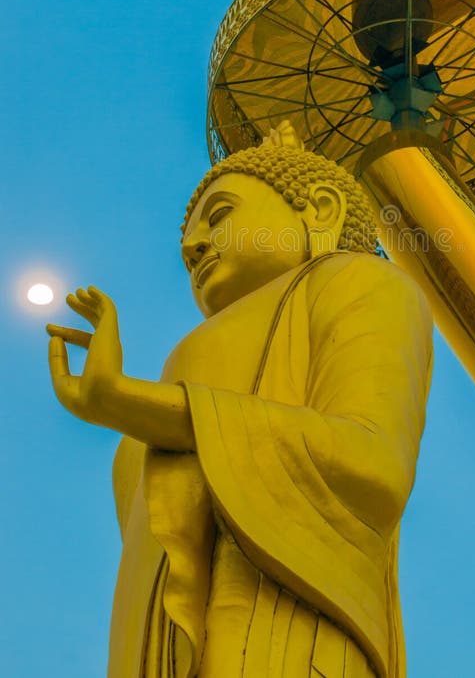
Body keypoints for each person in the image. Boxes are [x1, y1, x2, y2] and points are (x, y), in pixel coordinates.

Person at [47, 123, 433, 678]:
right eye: (186, 248)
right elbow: (162, 554)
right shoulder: (182, 361)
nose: (193, 244)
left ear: (319, 209)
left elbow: (370, 465)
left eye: (220, 214)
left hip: (295, 628)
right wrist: (133, 411)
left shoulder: (360, 281)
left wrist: (139, 405)